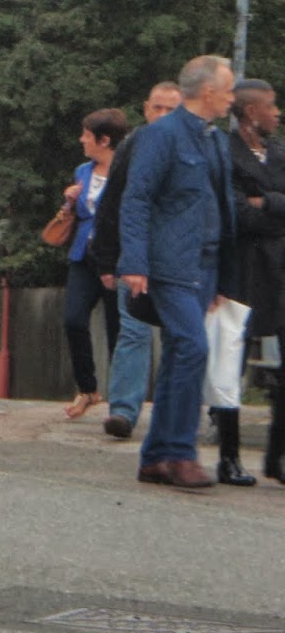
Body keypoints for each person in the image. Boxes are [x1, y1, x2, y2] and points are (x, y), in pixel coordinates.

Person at [119, 54, 240, 490]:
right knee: (192, 348)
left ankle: (155, 458)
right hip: (170, 264)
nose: (232, 98)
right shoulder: (161, 136)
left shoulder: (215, 139)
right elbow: (137, 199)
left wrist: (225, 279)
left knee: (179, 354)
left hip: (206, 264)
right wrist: (134, 262)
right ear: (208, 91)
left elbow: (223, 208)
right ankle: (180, 453)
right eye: (227, 89)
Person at [89, 81, 182, 439]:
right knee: (133, 331)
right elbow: (112, 204)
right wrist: (107, 260)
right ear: (145, 109)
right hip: (134, 252)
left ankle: (179, 413)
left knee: (181, 335)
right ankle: (124, 412)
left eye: (170, 110)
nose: (161, 115)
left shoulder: (194, 146)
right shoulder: (132, 147)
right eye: (156, 108)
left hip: (178, 257)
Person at [229, 79, 285, 485]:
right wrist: (273, 206)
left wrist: (264, 200)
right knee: (231, 361)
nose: (277, 113)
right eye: (271, 106)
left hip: (281, 266)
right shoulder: (225, 152)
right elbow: (234, 212)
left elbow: (254, 209)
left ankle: (276, 455)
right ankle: (228, 455)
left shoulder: (280, 152)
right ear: (252, 112)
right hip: (244, 268)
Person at [59, 108, 130, 419]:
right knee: (73, 319)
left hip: (116, 259)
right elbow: (74, 213)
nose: (81, 140)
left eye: (86, 135)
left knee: (118, 331)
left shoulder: (128, 171)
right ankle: (87, 389)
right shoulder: (82, 171)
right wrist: (69, 201)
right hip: (83, 257)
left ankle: (123, 402)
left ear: (104, 139)